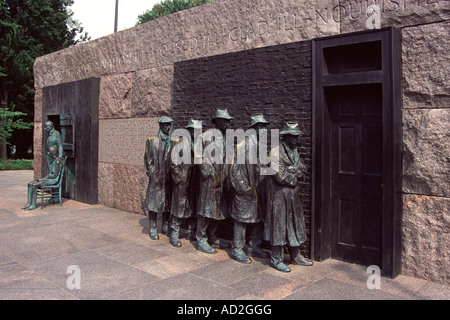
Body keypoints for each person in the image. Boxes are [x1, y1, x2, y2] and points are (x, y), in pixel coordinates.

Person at [264, 121, 313, 272]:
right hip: (279, 195)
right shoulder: (275, 152)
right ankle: (276, 258)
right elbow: (280, 176)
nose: (297, 139)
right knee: (279, 226)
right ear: (286, 136)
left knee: (294, 224)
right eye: (294, 136)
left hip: (292, 195)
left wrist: (293, 170)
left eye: (297, 136)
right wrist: (293, 173)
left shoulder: (294, 150)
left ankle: (295, 255)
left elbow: (302, 168)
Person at [229, 114, 271, 264]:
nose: (264, 130)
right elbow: (234, 171)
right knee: (241, 221)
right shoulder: (242, 146)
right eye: (262, 127)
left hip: (259, 191)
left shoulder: (262, 147)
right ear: (253, 129)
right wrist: (244, 189)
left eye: (265, 127)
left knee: (258, 219)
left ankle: (255, 247)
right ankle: (237, 249)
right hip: (245, 192)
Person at [195, 109, 232, 254]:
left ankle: (212, 236)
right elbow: (198, 156)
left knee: (217, 210)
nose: (228, 124)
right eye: (226, 121)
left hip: (221, 180)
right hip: (209, 181)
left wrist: (227, 177)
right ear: (218, 121)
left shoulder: (226, 139)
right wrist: (207, 172)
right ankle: (201, 239)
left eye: (228, 121)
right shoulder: (205, 136)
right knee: (206, 209)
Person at [169, 119, 201, 247]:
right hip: (182, 181)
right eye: (195, 130)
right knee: (179, 207)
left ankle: (190, 231)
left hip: (194, 181)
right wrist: (179, 178)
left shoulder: (199, 145)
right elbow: (173, 163)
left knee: (192, 206)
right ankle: (174, 233)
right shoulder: (180, 143)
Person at [144, 116, 174, 240]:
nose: (168, 127)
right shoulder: (152, 141)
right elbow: (148, 159)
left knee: (167, 202)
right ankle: (153, 226)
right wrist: (153, 174)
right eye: (166, 125)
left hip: (168, 177)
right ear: (161, 126)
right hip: (157, 178)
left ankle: (165, 225)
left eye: (169, 125)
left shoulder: (173, 141)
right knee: (154, 203)